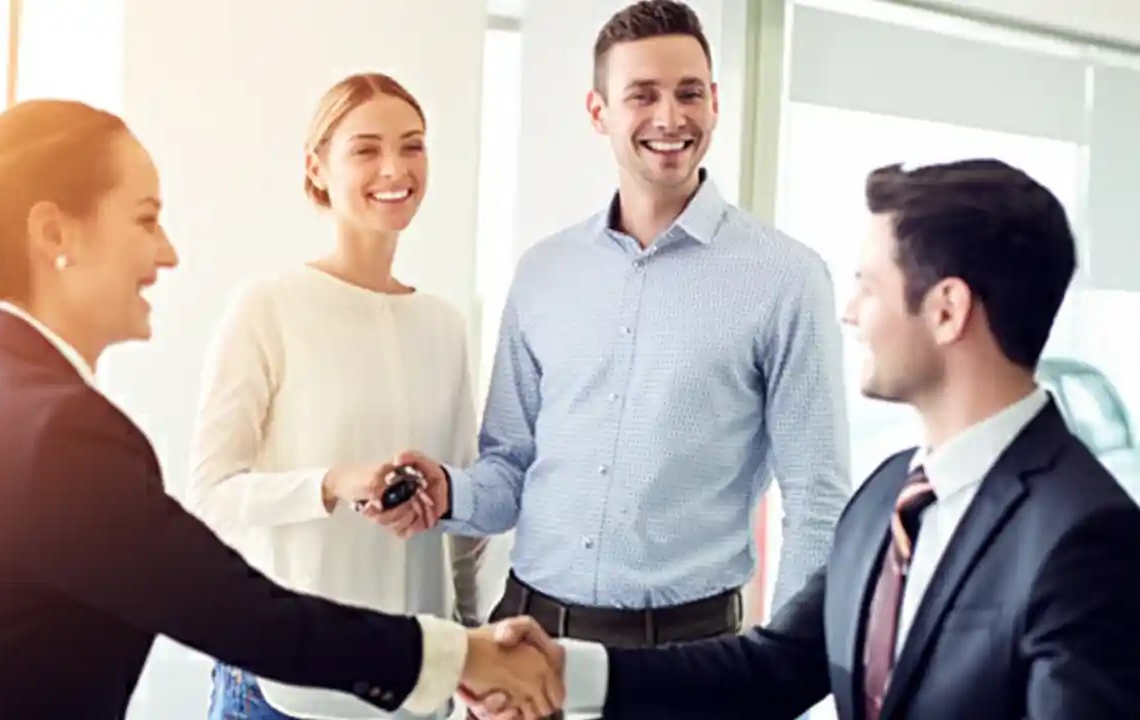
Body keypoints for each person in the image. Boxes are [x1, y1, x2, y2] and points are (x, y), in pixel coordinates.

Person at [0, 98, 563, 720]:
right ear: (56, 235)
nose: (167, 252)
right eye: (145, 219)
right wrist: (462, 655)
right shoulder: (56, 434)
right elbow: (240, 614)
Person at [484, 159, 1140, 719]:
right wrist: (563, 669)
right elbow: (775, 667)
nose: (850, 311)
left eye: (869, 284)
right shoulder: (891, 495)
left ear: (946, 309)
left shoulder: (1086, 537)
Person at [374, 3, 848, 713]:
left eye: (689, 92)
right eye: (642, 95)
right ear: (599, 112)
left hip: (689, 663)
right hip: (528, 645)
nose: (670, 116)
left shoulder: (785, 279)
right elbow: (511, 464)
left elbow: (817, 499)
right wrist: (452, 492)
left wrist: (780, 675)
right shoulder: (543, 273)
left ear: (715, 103)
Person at [187, 72, 489, 720]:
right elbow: (211, 495)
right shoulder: (268, 307)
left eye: (412, 146)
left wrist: (479, 639)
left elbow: (464, 518)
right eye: (366, 149)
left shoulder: (443, 324)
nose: (395, 168)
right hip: (286, 688)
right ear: (316, 168)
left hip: (416, 689)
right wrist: (331, 483)